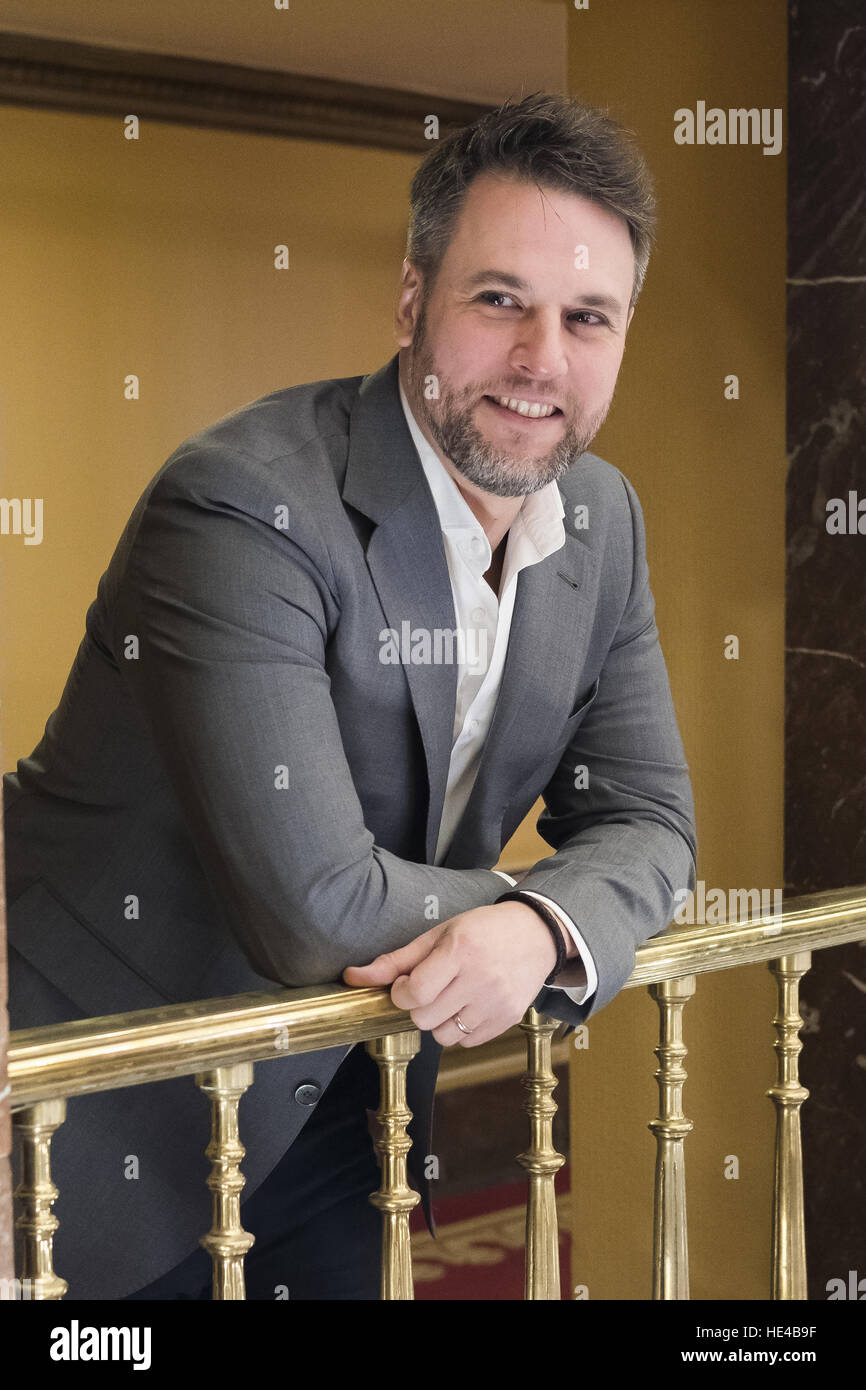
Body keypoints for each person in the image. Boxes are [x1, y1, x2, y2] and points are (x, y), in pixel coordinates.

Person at [3, 91, 697, 1300]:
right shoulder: (239, 504)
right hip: (110, 1098)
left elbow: (650, 817)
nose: (543, 359)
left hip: (349, 1095)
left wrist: (537, 931)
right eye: (499, 301)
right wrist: (543, 910)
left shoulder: (603, 519)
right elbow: (315, 905)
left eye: (588, 317)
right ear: (410, 299)